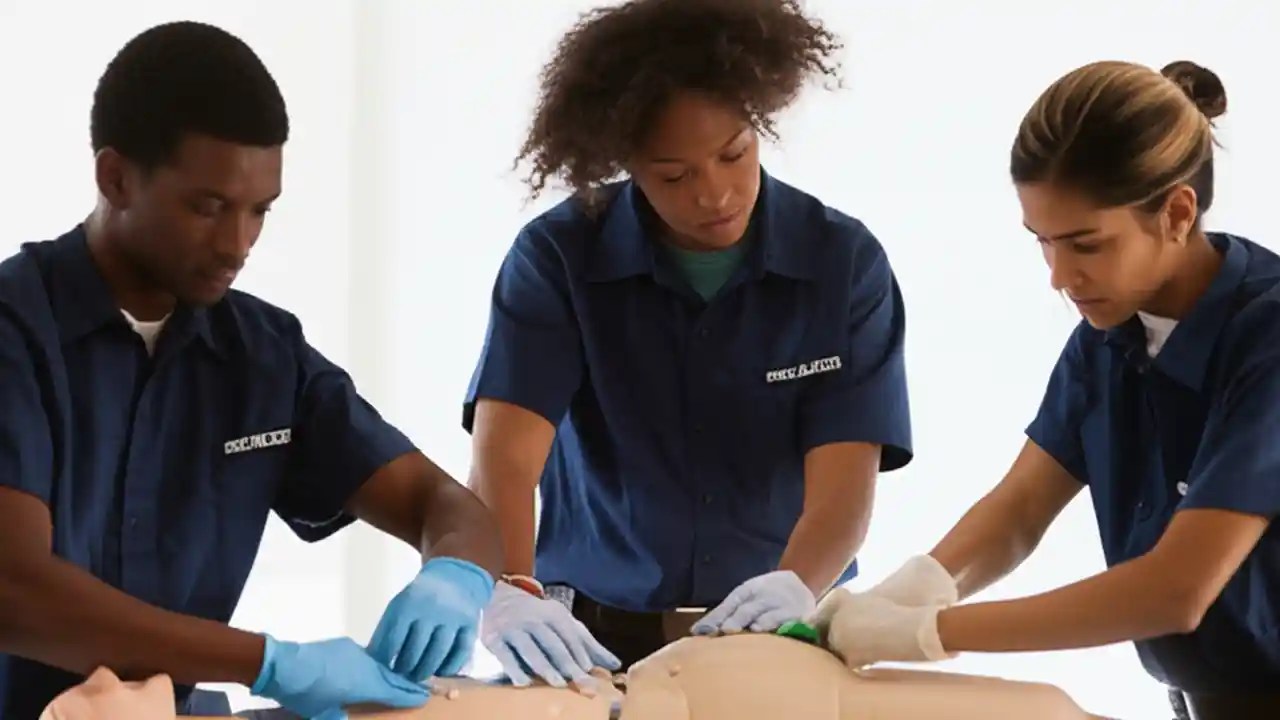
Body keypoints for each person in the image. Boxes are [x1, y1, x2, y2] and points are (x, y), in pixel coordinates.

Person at [0, 21, 505, 719]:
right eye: (208, 209)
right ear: (115, 176)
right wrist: (270, 662)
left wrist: (458, 573)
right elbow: (16, 595)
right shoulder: (14, 337)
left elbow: (441, 503)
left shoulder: (261, 354)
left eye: (259, 211)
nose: (238, 244)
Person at [807, 59, 1280, 719]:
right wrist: (918, 586)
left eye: (1086, 245)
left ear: (1176, 211)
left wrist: (927, 634)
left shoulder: (1266, 339)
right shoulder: (1111, 333)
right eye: (1044, 244)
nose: (1060, 277)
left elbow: (1175, 591)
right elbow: (1022, 507)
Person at [464, 0, 912, 691]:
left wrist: (797, 585)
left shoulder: (842, 263)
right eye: (674, 175)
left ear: (759, 120)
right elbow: (505, 459)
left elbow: (844, 486)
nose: (716, 193)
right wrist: (508, 590)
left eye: (734, 152)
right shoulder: (556, 259)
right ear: (625, 162)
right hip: (591, 644)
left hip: (782, 641)